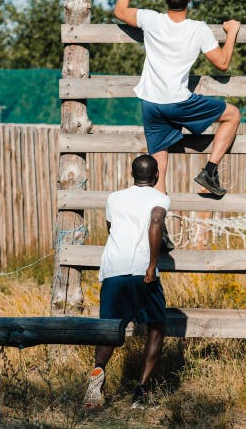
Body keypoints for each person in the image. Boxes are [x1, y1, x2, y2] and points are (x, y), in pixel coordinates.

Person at [113, 0, 242, 198]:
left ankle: (158, 232)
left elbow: (120, 11)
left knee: (159, 172)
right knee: (233, 115)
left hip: (151, 104)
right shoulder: (198, 29)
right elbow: (222, 63)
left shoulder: (151, 20)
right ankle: (210, 172)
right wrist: (231, 32)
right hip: (177, 102)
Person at [83, 155, 170, 410]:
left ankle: (96, 378)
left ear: (132, 175)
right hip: (142, 270)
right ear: (155, 177)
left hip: (112, 268)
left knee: (110, 329)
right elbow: (155, 222)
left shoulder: (114, 198)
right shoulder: (159, 198)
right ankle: (141, 393)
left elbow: (112, 228)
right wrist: (152, 265)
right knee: (156, 327)